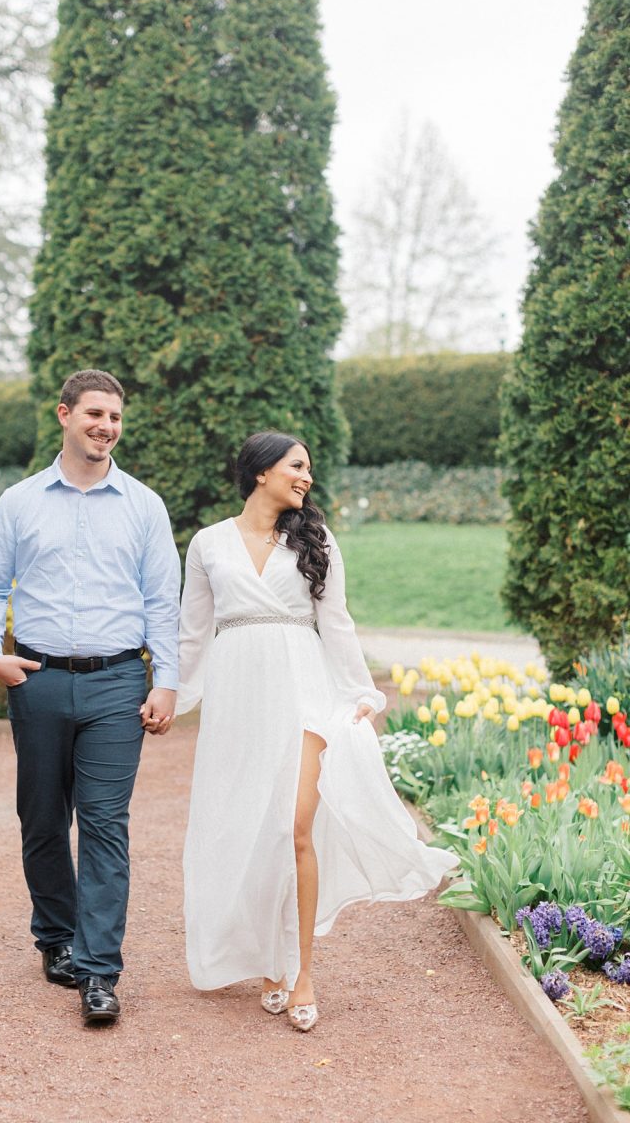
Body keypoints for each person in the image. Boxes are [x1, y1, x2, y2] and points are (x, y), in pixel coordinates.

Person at [175, 431, 457, 1031]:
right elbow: (193, 633)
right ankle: (268, 963)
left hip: (305, 693)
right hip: (236, 702)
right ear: (260, 472)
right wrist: (171, 696)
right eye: (296, 466)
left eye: (308, 468)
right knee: (247, 828)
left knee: (294, 825)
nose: (306, 477)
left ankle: (302, 970)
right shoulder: (208, 544)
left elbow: (339, 622)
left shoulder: (317, 541)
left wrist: (359, 692)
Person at [0, 368, 180, 1026]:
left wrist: (167, 679)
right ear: (64, 415)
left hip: (118, 682)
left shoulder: (144, 505)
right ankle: (55, 937)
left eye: (115, 417)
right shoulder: (20, 502)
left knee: (104, 824)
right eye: (94, 414)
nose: (106, 427)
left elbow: (161, 603)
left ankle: (98, 972)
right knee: (40, 818)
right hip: (38, 679)